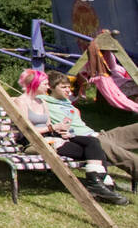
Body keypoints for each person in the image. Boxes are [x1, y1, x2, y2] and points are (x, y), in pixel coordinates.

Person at [10, 69, 128, 205]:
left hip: (52, 137)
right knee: (91, 149)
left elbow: (49, 126)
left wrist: (60, 131)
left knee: (92, 142)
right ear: (35, 84)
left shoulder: (42, 102)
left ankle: (99, 184)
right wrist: (52, 128)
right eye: (45, 84)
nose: (48, 87)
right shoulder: (21, 102)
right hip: (34, 142)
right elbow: (26, 130)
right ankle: (102, 185)